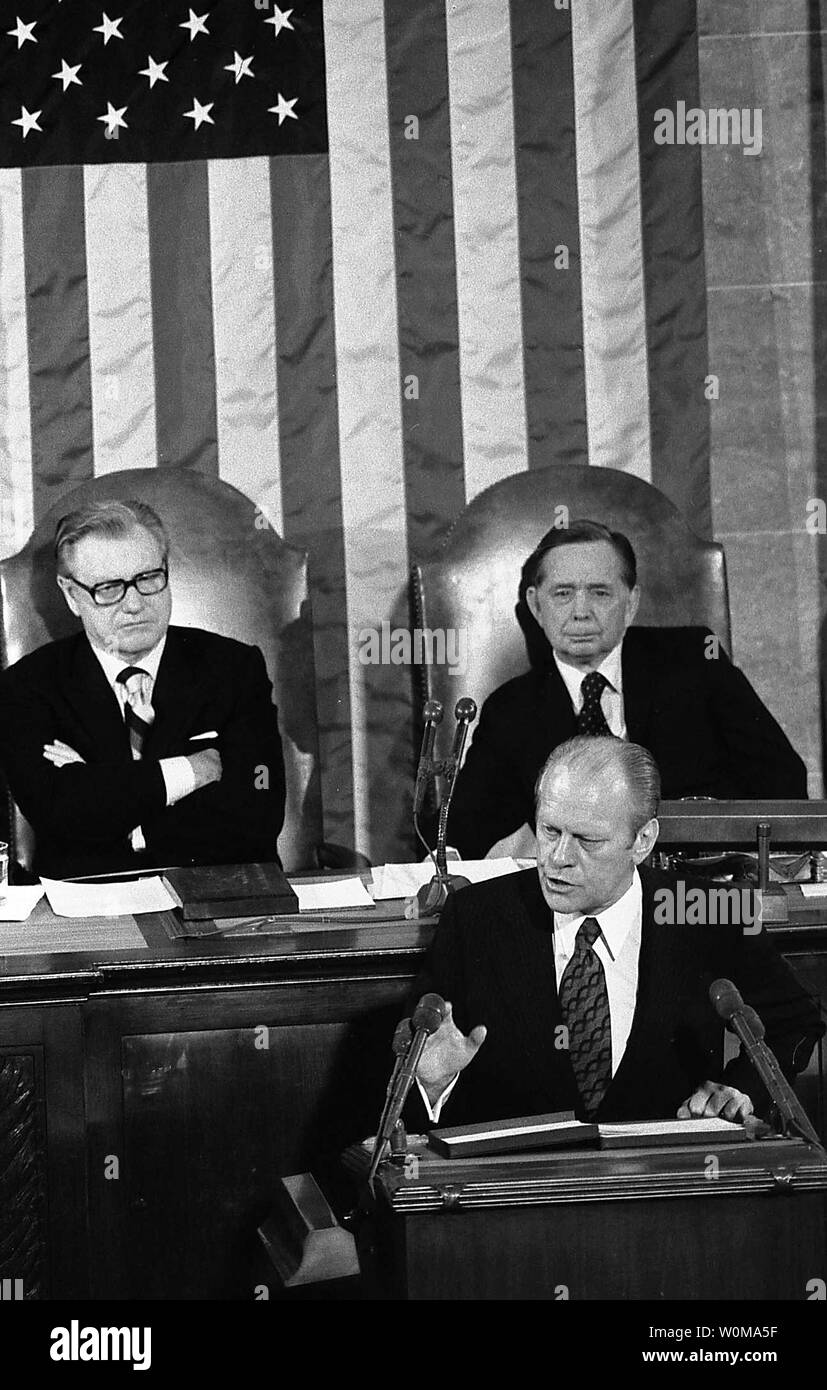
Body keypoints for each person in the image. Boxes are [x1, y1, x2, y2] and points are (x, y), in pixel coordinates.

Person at [414, 737, 822, 1128]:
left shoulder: (708, 912)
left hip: (665, 1182)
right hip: (526, 1186)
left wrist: (742, 1089)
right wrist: (434, 1083)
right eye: (550, 831)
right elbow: (422, 1074)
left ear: (643, 840)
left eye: (587, 840)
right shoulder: (476, 917)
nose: (558, 859)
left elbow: (794, 1023)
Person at [443, 519, 808, 859]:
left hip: (691, 893)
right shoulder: (510, 710)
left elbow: (784, 783)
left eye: (600, 593)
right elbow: (461, 837)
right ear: (537, 606)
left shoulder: (695, 662)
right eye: (563, 594)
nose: (580, 611)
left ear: (631, 603)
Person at [0, 499, 286, 877]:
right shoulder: (27, 687)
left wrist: (100, 785)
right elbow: (61, 814)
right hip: (92, 908)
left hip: (217, 894)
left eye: (148, 578)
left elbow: (258, 814)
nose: (134, 604)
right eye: (108, 588)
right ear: (71, 595)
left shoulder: (233, 669)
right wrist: (192, 771)